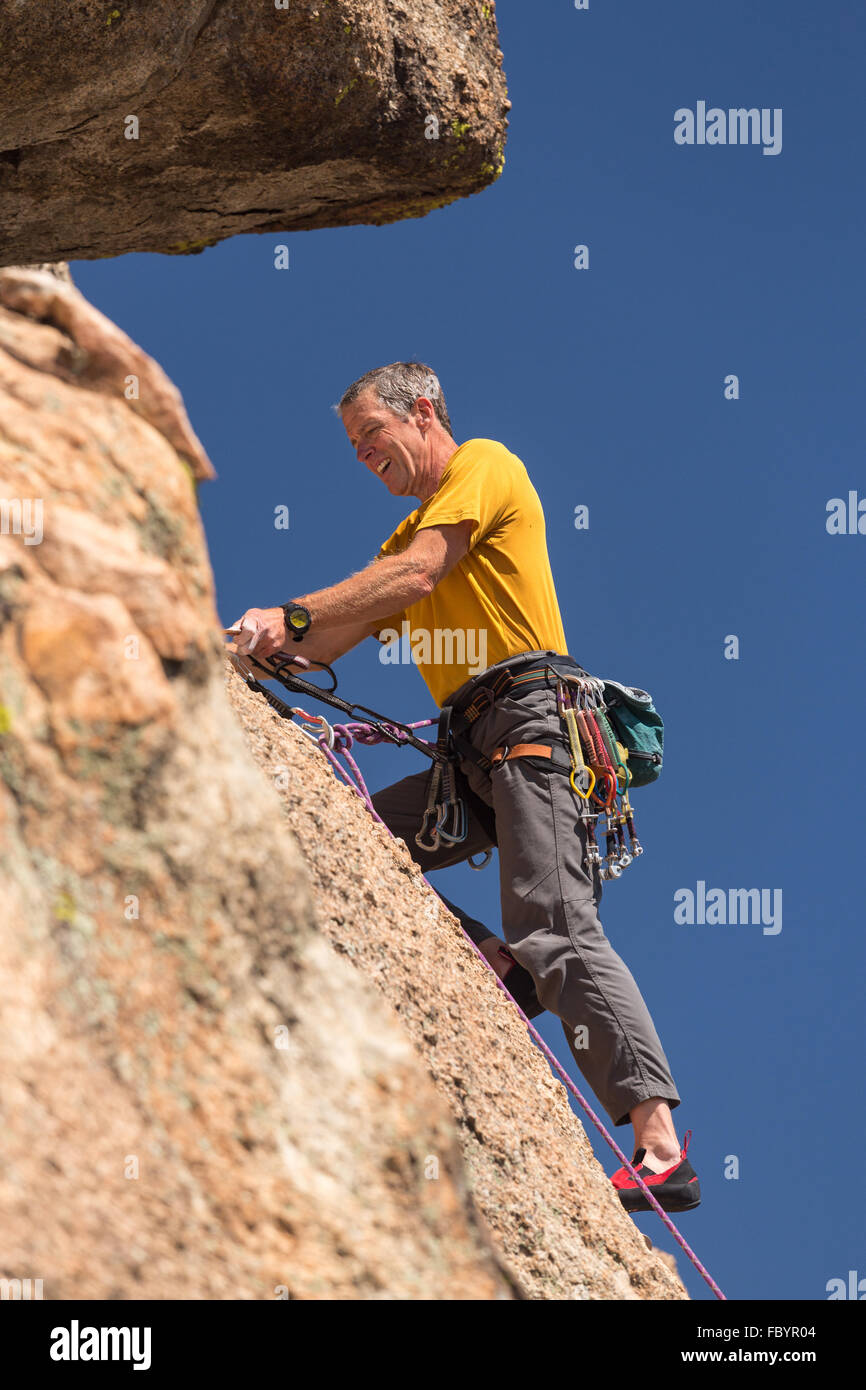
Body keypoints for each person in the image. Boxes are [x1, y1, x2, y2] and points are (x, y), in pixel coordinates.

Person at [232, 361, 701, 1214]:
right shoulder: (396, 546)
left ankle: (660, 1140)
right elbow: (336, 634)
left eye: (374, 437)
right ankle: (496, 961)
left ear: (424, 412)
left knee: (552, 920)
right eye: (354, 449)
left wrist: (292, 614)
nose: (366, 457)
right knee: (355, 839)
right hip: (471, 750)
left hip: (530, 724)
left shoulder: (484, 465)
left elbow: (413, 578)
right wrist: (259, 650)